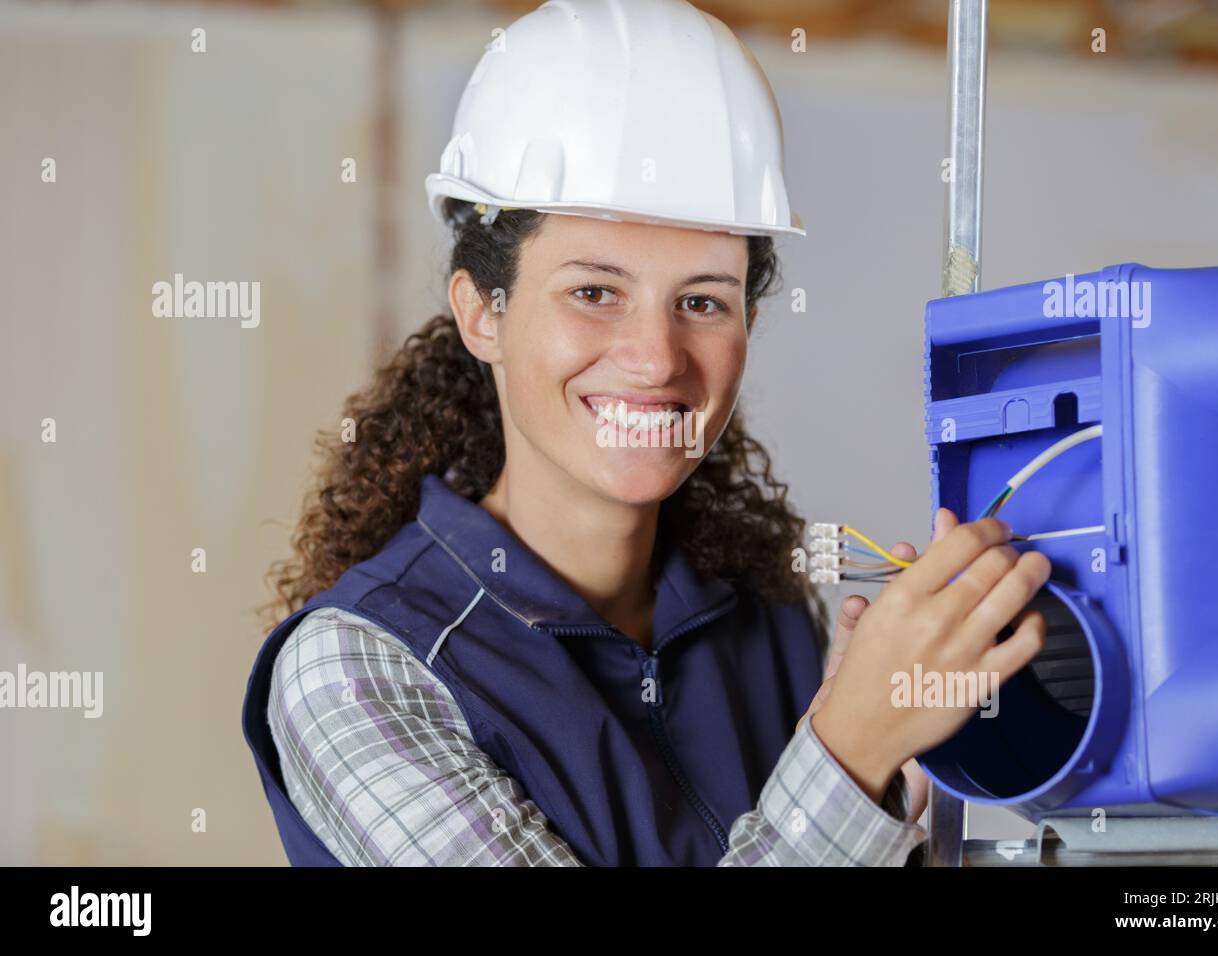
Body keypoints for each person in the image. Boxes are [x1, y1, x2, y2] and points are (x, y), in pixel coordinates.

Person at [240, 0, 1049, 867]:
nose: (656, 358)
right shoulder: (359, 669)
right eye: (595, 292)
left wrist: (894, 773)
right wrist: (847, 755)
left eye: (702, 300)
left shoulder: (769, 623)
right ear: (482, 312)